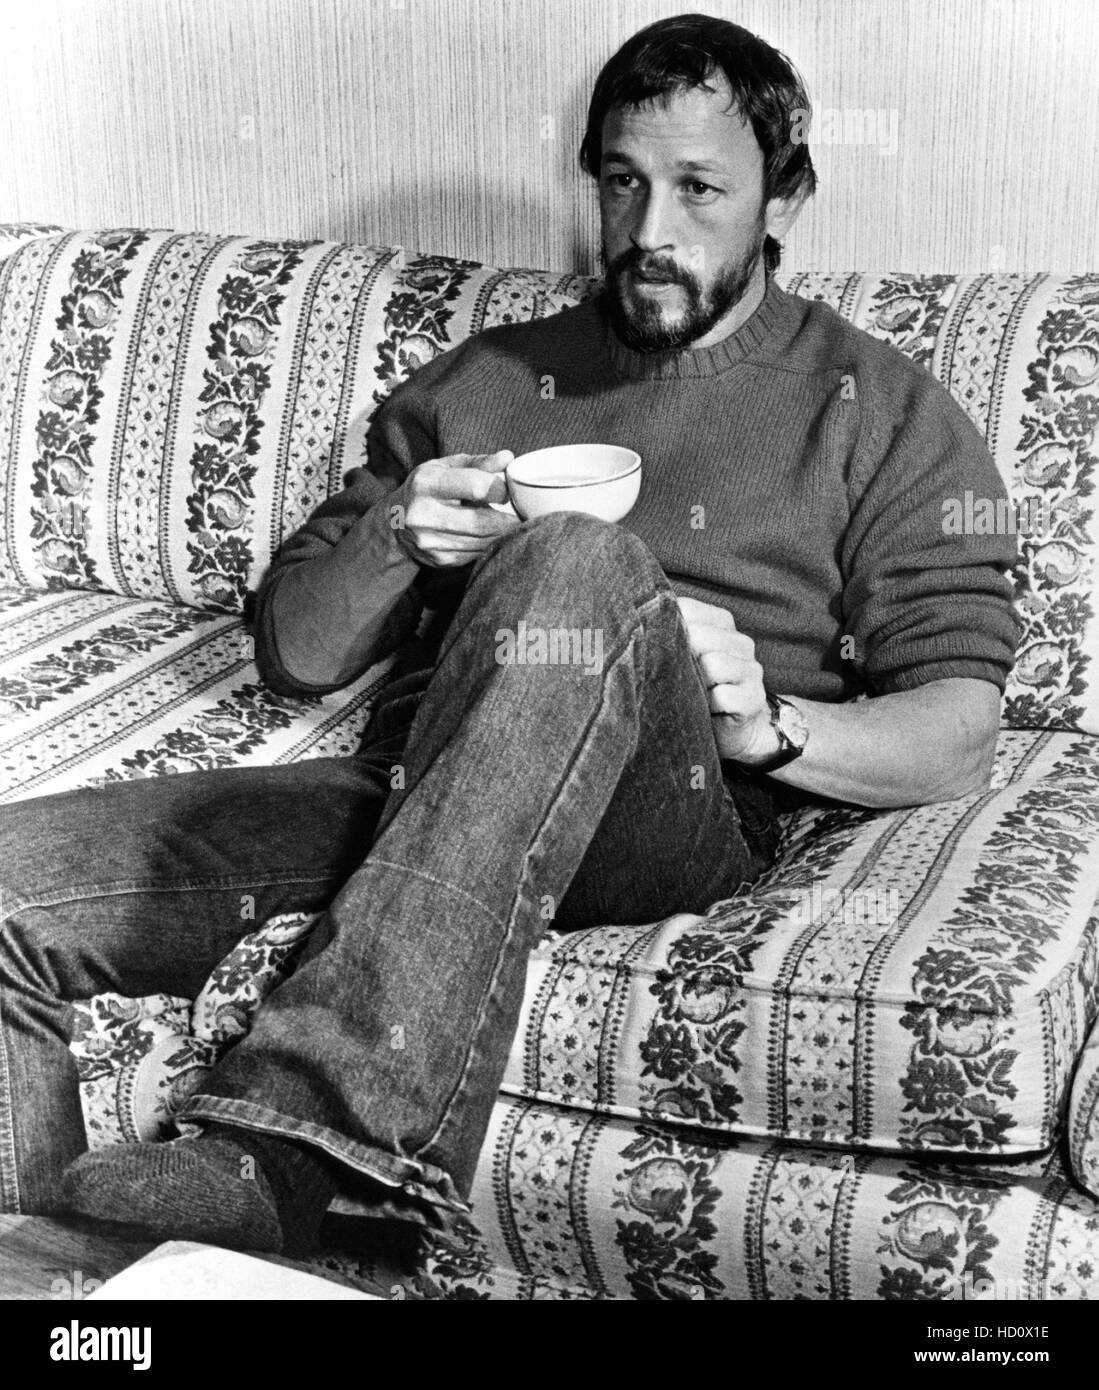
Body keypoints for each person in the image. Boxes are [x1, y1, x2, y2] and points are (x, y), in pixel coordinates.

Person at [0, 14, 1019, 1255]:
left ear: (785, 200)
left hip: (672, 809)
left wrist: (769, 726)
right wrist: (395, 541)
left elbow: (959, 732)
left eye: (700, 190)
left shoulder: (883, 410)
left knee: (580, 557)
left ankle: (316, 1149)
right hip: (419, 789)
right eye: (622, 182)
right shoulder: (484, 377)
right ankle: (74, 1284)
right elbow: (296, 655)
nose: (650, 232)